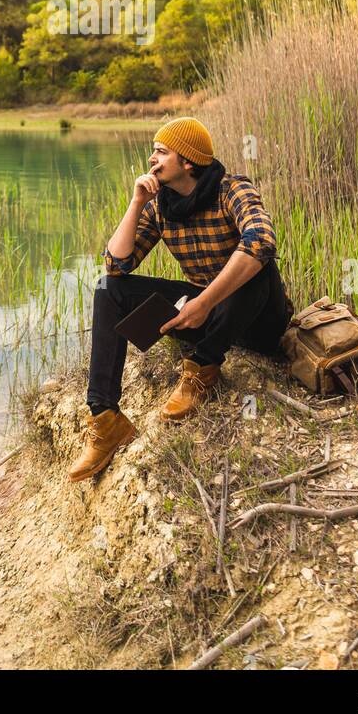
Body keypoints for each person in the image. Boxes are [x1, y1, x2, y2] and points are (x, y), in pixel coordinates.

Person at [67, 116, 293, 482]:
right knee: (109, 288)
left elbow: (262, 241)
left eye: (161, 152)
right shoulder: (161, 205)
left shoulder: (232, 189)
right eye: (153, 151)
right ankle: (106, 418)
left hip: (258, 321)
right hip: (206, 317)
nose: (152, 159)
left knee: (257, 263)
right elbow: (116, 264)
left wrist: (202, 303)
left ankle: (201, 372)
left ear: (187, 161)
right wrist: (137, 201)